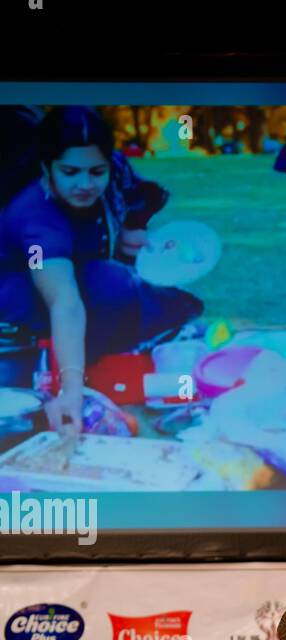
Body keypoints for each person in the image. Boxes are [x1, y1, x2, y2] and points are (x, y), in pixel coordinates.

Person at [0, 106, 203, 439]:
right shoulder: (34, 221)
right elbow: (64, 303)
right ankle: (81, 376)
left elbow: (136, 196)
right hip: (27, 291)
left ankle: (114, 355)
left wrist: (132, 229)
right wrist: (72, 388)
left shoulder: (114, 170)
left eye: (97, 172)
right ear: (46, 167)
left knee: (141, 292)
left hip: (83, 276)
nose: (85, 183)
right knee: (113, 286)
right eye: (69, 172)